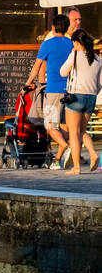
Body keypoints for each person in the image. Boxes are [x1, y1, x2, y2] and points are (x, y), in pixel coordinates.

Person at [29, 14, 77, 169]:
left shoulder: (47, 44)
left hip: (54, 89)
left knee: (49, 124)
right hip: (70, 90)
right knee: (64, 125)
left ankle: (64, 145)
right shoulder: (71, 44)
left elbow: (37, 67)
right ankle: (57, 160)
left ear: (53, 27)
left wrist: (27, 83)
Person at [59, 29, 101, 175]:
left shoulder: (75, 55)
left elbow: (62, 72)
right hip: (91, 97)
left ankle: (76, 167)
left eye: (73, 43)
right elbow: (100, 82)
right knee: (82, 131)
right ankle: (93, 153)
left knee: (73, 132)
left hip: (75, 96)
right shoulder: (97, 58)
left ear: (77, 42)